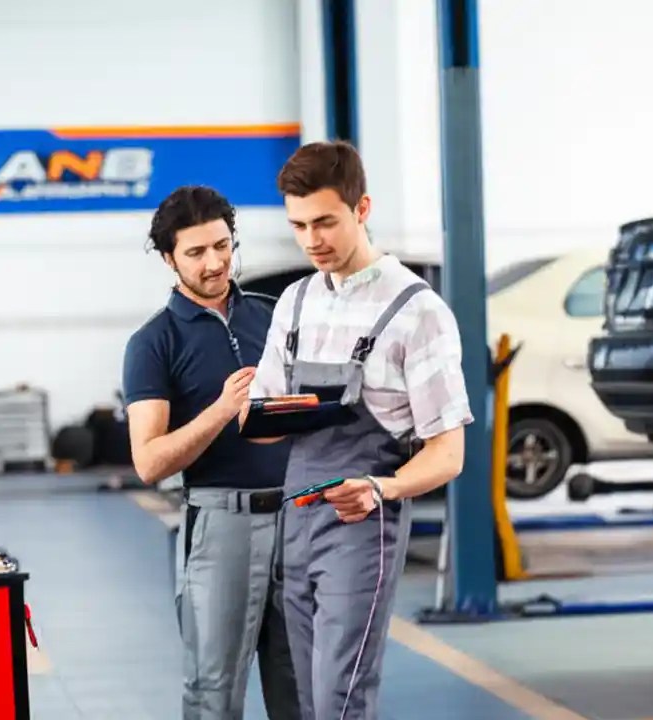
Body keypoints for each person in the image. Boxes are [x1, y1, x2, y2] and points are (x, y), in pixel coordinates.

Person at [243, 141, 473, 719]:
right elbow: (262, 421)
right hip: (297, 518)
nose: (311, 240)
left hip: (362, 524)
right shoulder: (294, 303)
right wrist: (244, 412)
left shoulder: (417, 311)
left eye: (325, 222)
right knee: (299, 699)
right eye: (299, 226)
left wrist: (379, 488)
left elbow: (448, 452)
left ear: (362, 208)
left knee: (339, 696)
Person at [123, 185, 301, 720]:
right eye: (196, 252)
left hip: (298, 516)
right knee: (213, 689)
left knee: (303, 686)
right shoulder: (154, 343)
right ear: (169, 258)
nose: (215, 262)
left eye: (222, 246)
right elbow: (149, 461)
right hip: (222, 525)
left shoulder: (272, 317)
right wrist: (222, 409)